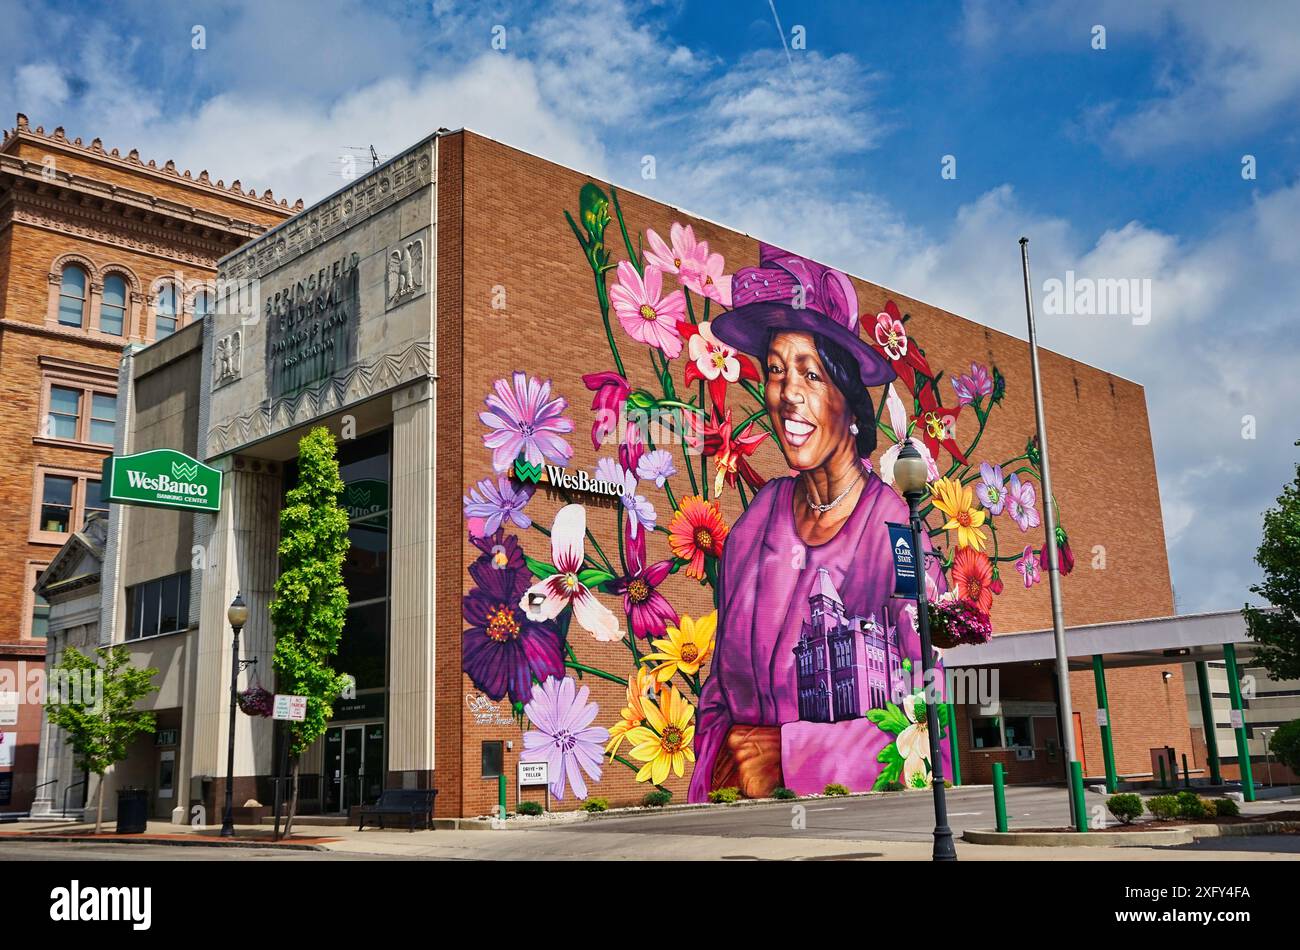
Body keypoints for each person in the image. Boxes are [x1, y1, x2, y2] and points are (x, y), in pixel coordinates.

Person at [688, 244, 949, 801]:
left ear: (849, 403)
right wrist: (722, 768)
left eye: (811, 375)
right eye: (778, 372)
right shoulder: (756, 523)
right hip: (731, 823)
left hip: (841, 825)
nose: (789, 396)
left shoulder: (896, 530)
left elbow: (927, 708)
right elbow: (718, 689)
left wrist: (789, 755)